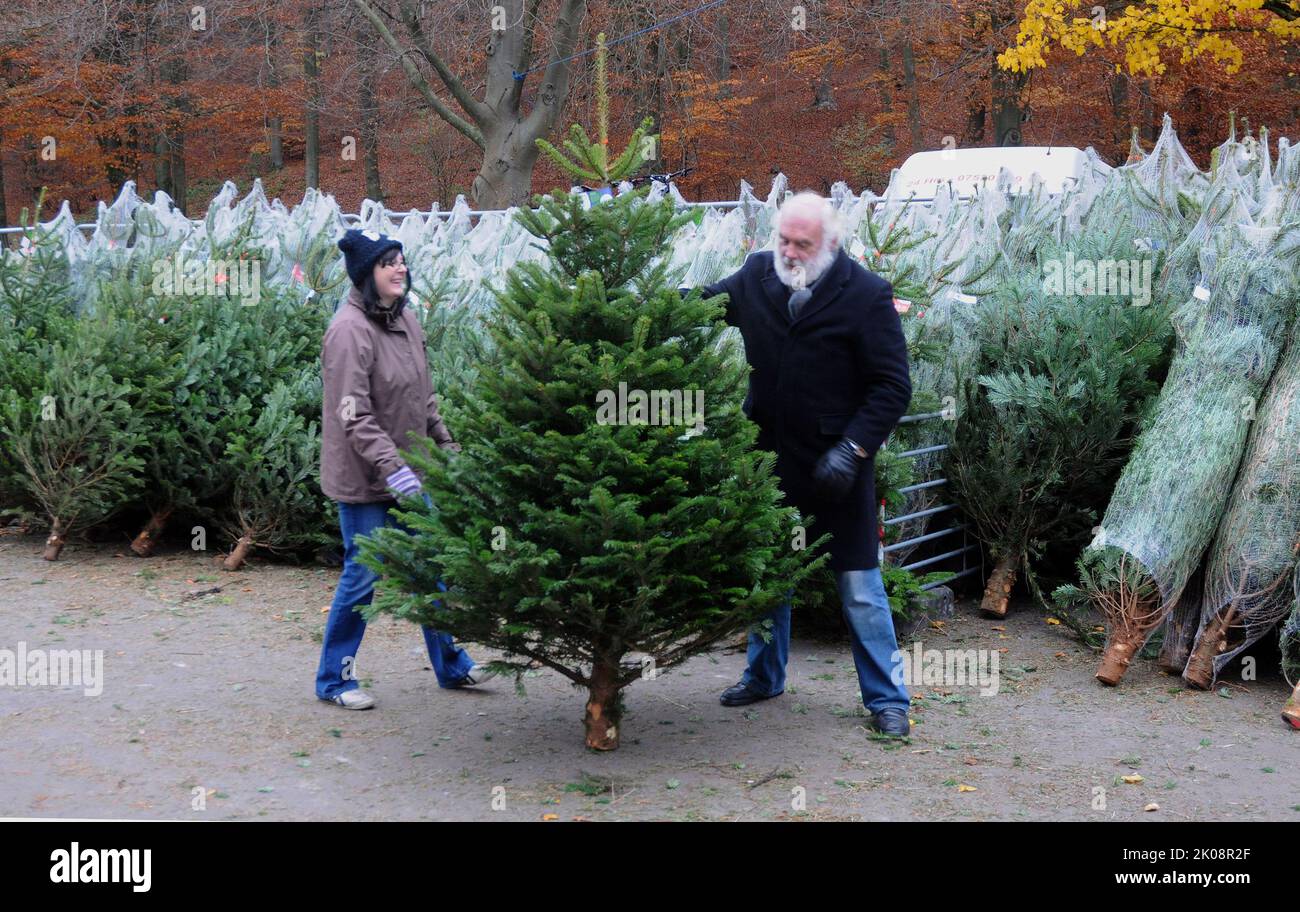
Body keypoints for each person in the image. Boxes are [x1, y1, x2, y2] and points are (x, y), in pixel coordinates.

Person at [695, 192, 914, 736]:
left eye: (802, 244)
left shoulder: (866, 295)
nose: (789, 253)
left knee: (860, 584)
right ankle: (764, 676)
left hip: (838, 465)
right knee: (767, 574)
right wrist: (641, 299)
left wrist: (854, 447)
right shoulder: (754, 276)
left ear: (830, 244)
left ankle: (888, 700)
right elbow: (701, 305)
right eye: (782, 241)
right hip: (766, 456)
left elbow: (892, 387)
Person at [314, 228, 494, 709]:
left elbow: (423, 397)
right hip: (366, 481)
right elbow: (353, 414)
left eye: (401, 260)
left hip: (411, 472)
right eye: (387, 263)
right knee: (363, 578)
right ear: (365, 274)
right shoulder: (349, 331)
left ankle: (452, 666)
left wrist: (447, 448)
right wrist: (396, 472)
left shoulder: (407, 320)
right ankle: (335, 679)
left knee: (431, 565)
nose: (399, 269)